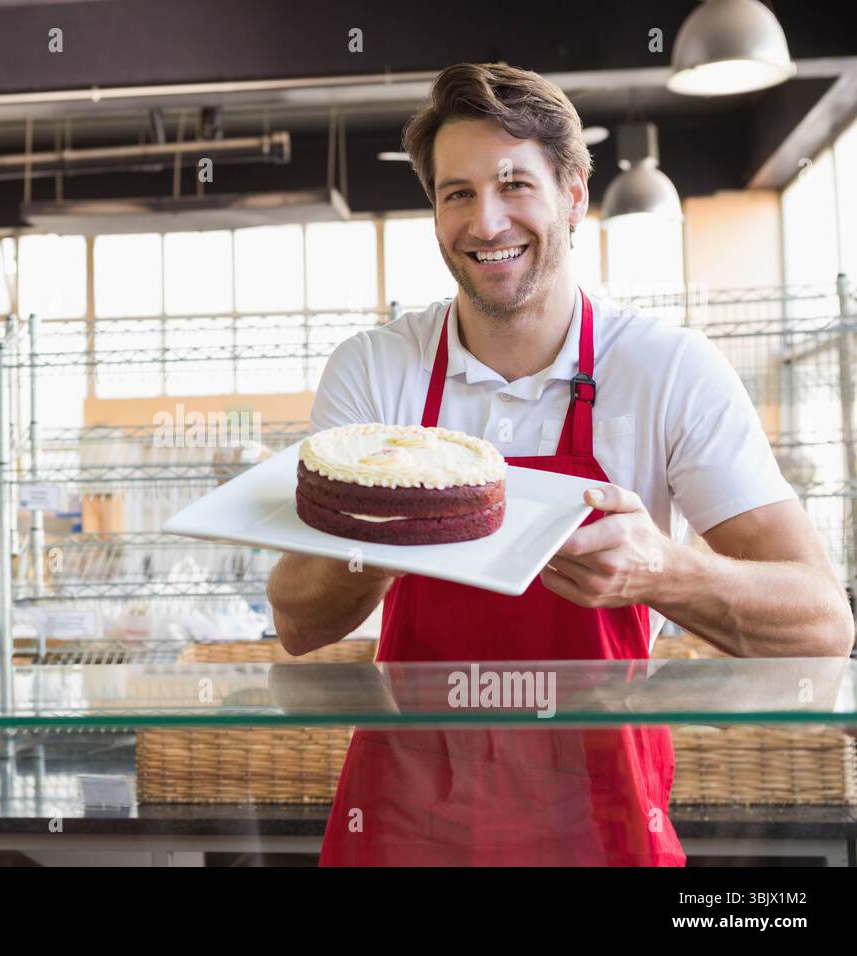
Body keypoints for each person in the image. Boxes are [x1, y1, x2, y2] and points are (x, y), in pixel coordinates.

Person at [266, 62, 854, 866]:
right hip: (405, 820)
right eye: (457, 193)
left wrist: (664, 573)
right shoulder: (379, 372)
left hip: (602, 817)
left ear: (575, 194)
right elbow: (297, 620)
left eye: (515, 184)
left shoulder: (667, 370)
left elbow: (823, 626)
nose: (486, 220)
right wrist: (391, 529)